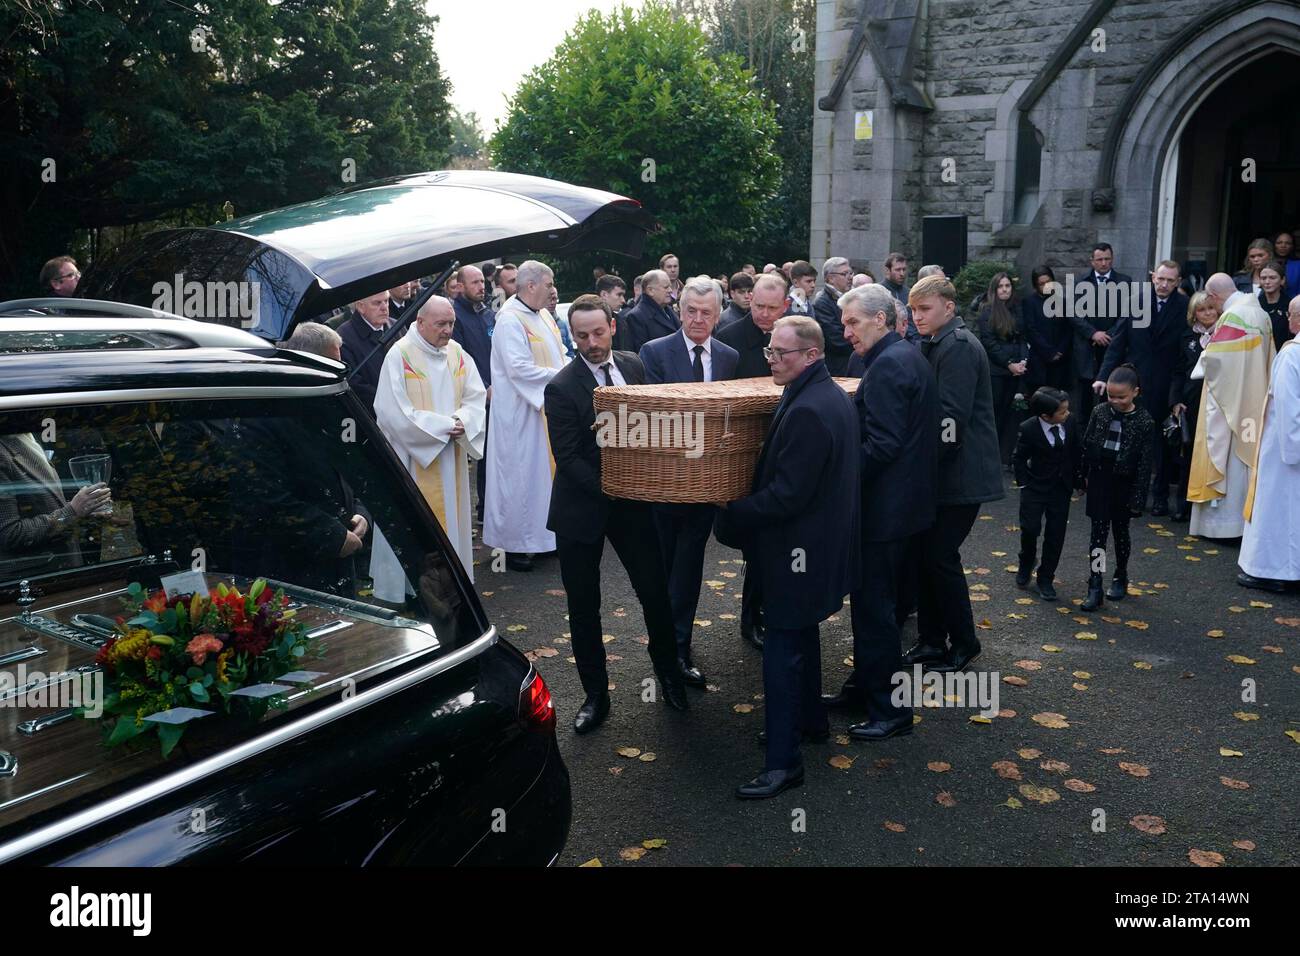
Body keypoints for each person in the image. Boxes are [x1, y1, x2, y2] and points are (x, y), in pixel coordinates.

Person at [718, 317, 860, 799]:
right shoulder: (826, 396)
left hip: (796, 552)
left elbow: (786, 496)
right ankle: (811, 721)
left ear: (813, 355)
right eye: (770, 351)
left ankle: (783, 763)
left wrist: (732, 511)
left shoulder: (809, 409)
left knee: (780, 652)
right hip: (815, 548)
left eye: (783, 353)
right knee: (802, 636)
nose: (773, 359)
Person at [544, 295, 687, 733]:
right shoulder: (561, 386)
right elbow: (569, 458)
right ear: (572, 336)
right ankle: (595, 696)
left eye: (598, 332)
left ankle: (669, 676)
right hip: (580, 510)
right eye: (581, 335)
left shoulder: (635, 366)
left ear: (613, 325)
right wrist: (616, 487)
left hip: (633, 507)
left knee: (655, 593)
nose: (591, 342)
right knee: (584, 606)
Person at [823, 285, 936, 740]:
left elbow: (883, 445)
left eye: (853, 322)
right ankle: (864, 687)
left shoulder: (889, 365)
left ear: (882, 320)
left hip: (885, 512)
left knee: (875, 610)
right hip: (901, 508)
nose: (845, 331)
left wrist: (836, 477)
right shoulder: (904, 356)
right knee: (875, 607)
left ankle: (890, 710)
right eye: (844, 322)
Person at [639, 276, 739, 687]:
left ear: (718, 315)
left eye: (707, 313)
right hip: (666, 481)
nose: (699, 320)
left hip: (707, 484)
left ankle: (680, 644)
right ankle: (664, 644)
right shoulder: (655, 352)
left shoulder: (729, 356)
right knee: (663, 566)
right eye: (691, 311)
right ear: (680, 312)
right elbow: (654, 414)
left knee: (691, 564)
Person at [903, 275, 1004, 673]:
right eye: (912, 310)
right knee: (928, 556)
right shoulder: (939, 342)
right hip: (946, 471)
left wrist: (919, 468)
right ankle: (931, 640)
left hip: (960, 474)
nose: (916, 317)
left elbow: (950, 421)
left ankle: (964, 642)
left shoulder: (958, 346)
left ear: (948, 306)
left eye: (924, 309)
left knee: (939, 557)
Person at [374, 296, 487, 582]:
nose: (448, 330)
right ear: (420, 322)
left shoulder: (457, 353)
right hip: (413, 458)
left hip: (451, 456)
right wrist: (444, 426)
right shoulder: (400, 355)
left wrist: (464, 421)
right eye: (441, 324)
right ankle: (409, 588)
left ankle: (453, 579)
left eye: (451, 323)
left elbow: (476, 395)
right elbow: (391, 411)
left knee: (452, 519)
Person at [717, 272, 788, 652]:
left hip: (783, 446)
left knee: (773, 542)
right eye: (757, 305)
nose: (762, 314)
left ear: (786, 307)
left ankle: (762, 611)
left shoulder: (795, 336)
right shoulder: (728, 340)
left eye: (770, 308)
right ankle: (751, 617)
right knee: (753, 542)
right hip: (743, 451)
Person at [484, 260, 568, 572]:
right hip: (520, 414)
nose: (553, 289)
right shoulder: (508, 320)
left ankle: (543, 540)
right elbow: (519, 368)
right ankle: (515, 546)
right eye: (549, 283)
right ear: (531, 285)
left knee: (542, 480)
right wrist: (564, 376)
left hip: (542, 410)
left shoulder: (543, 315)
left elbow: (559, 353)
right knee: (519, 479)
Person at [1095, 260, 1189, 515]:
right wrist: (1104, 376)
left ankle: (1159, 497)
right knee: (1132, 443)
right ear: (1152, 277)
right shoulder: (1136, 302)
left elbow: (1183, 354)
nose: (1164, 285)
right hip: (1137, 384)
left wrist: (1177, 392)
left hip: (1167, 385)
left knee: (1163, 446)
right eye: (1161, 279)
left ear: (1178, 282)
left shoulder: (1184, 307)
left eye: (1170, 280)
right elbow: (1118, 343)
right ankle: (1132, 497)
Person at [1187, 273, 1276, 539]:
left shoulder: (1233, 316)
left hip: (1230, 400)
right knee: (1244, 461)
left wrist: (1204, 354)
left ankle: (1222, 526)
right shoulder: (1261, 315)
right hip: (1255, 396)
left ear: (1214, 296)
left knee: (1225, 456)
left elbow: (1217, 360)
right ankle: (1242, 522)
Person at [1079, 364, 1154, 610]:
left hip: (1125, 483)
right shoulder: (1100, 411)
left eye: (1121, 397)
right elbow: (1087, 442)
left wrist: (1138, 498)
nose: (1115, 401)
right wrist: (1082, 476)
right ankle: (1095, 583)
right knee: (1097, 537)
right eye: (1111, 396)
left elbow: (1145, 463)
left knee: (1121, 533)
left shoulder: (1144, 421)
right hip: (1101, 479)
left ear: (1135, 392)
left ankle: (1121, 575)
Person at [1237, 298, 1300, 591]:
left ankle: (1276, 571)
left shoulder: (1291, 356)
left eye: (1289, 313)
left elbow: (1289, 408)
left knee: (1280, 509)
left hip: (1285, 451)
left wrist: (1293, 449)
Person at [0, 433, 110, 574]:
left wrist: (84, 509)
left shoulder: (29, 436)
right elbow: (10, 534)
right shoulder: (3, 451)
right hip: (37, 583)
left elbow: (46, 507)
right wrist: (71, 511)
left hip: (66, 571)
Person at [1013, 387, 1081, 601]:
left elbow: (1076, 451)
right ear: (1045, 415)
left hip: (1061, 488)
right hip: (1035, 487)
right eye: (1061, 412)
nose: (1067, 414)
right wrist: (1024, 483)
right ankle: (1026, 562)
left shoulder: (1070, 423)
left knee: (1056, 533)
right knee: (1030, 528)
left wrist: (1079, 479)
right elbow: (1018, 458)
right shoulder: (1029, 428)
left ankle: (1046, 577)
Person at [1168, 291, 1221, 522]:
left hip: (1217, 401)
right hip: (1191, 402)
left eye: (1211, 308)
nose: (1207, 313)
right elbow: (1178, 372)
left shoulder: (1225, 334)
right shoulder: (1186, 337)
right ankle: (1183, 504)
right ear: (1194, 314)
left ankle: (1209, 507)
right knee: (1188, 455)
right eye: (1202, 309)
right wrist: (1176, 400)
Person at [451, 264, 496, 523]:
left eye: (482, 281)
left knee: (496, 451)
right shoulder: (455, 316)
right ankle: (483, 509)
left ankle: (492, 504)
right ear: (460, 286)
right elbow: (461, 359)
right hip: (476, 395)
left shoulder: (488, 314)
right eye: (475, 282)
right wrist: (483, 387)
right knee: (484, 452)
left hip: (497, 392)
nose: (481, 286)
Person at [1069, 243, 1130, 421]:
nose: (1104, 263)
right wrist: (1093, 333)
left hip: (1113, 345)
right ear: (1092, 261)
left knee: (1110, 397)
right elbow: (1072, 313)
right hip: (1086, 348)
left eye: (1107, 259)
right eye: (1100, 259)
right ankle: (1083, 443)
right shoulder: (1080, 283)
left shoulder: (1124, 282)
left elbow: (1126, 313)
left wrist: (1109, 334)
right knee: (1084, 400)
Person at [976, 271, 1028, 465]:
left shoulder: (1017, 308)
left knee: (1012, 416)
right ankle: (990, 456)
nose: (1005, 289)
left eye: (1007, 286)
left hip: (1017, 370)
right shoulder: (987, 312)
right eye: (1001, 286)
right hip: (998, 372)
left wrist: (1023, 361)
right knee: (996, 414)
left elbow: (1022, 336)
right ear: (994, 289)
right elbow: (990, 344)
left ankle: (1005, 456)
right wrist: (1009, 364)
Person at [717, 272, 785, 380]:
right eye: (760, 306)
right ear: (751, 299)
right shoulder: (727, 338)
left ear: (785, 306)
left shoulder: (796, 338)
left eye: (772, 308)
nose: (765, 314)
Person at [338, 289, 392, 414]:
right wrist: (388, 402)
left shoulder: (397, 327)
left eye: (386, 301)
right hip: (371, 414)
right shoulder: (344, 337)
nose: (384, 308)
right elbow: (354, 383)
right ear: (360, 307)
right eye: (377, 303)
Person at [1023, 266, 1073, 394]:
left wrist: (1060, 351)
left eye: (1048, 282)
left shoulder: (1062, 301)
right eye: (1042, 284)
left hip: (1060, 360)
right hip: (1039, 359)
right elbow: (1031, 330)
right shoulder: (1029, 302)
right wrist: (1050, 352)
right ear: (1036, 285)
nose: (1046, 286)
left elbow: (1068, 329)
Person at [620, 269, 679, 353]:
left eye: (670, 286)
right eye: (666, 287)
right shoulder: (635, 317)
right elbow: (641, 354)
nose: (670, 290)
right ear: (650, 290)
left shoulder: (669, 310)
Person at [812, 256, 854, 375]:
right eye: (844, 274)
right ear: (830, 278)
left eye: (851, 273)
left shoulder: (848, 297)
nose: (850, 277)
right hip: (837, 369)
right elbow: (836, 340)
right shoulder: (822, 302)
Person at [881, 252, 919, 341]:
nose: (902, 273)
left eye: (904, 269)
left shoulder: (911, 293)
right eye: (898, 270)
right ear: (887, 270)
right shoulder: (879, 292)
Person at [1258, 259, 1292, 349]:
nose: (1267, 282)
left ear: (1282, 280)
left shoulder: (1290, 306)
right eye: (1263, 278)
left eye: (1272, 278)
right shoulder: (1255, 304)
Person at [1273, 230, 1300, 299]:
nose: (1283, 246)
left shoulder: (1298, 265)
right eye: (1279, 243)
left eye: (1288, 243)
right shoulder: (1266, 263)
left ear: (1292, 246)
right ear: (1274, 244)